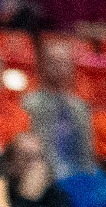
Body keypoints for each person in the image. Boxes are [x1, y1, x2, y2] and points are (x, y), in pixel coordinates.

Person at [23, 37, 96, 180]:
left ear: (71, 66)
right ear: (42, 65)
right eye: (53, 62)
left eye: (63, 62)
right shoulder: (29, 104)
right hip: (40, 178)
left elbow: (86, 154)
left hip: (77, 178)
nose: (58, 67)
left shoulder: (80, 107)